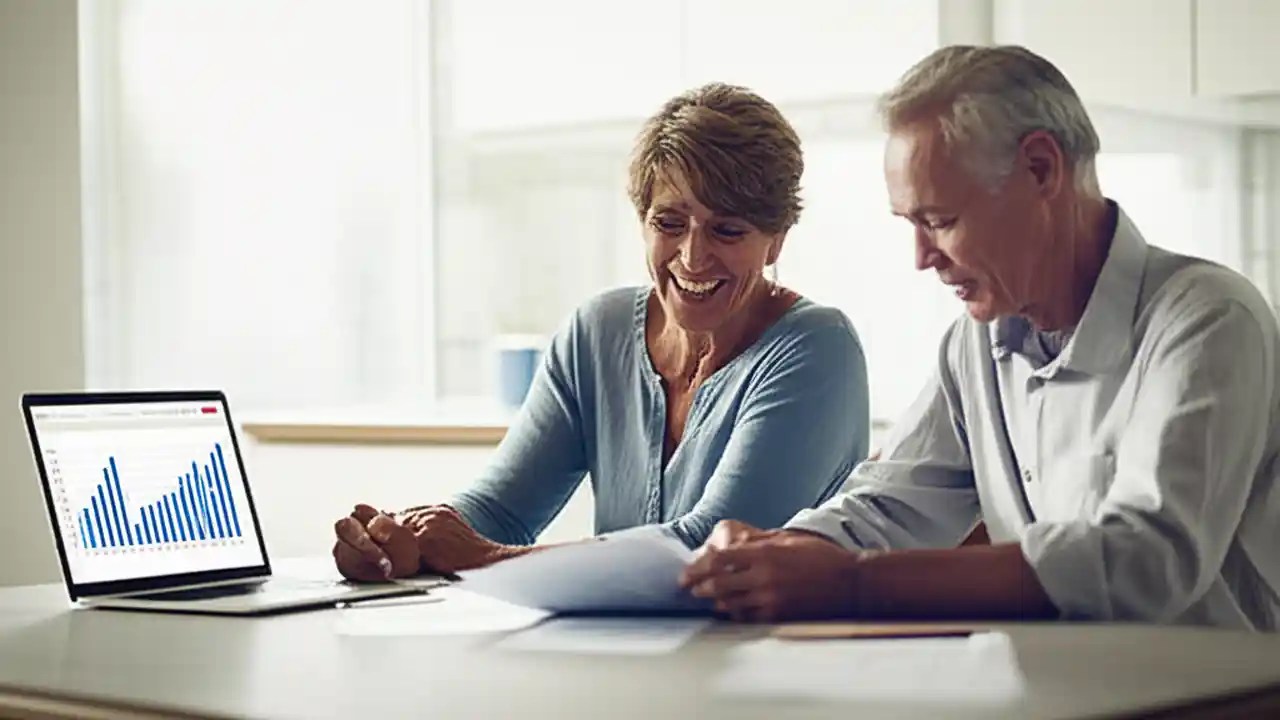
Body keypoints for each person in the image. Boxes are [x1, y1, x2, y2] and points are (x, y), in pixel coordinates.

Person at [682, 45, 1280, 630]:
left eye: (939, 220)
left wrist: (851, 581)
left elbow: (1145, 559)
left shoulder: (1208, 319)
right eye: (910, 224)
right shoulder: (974, 347)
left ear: (1041, 169)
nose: (922, 258)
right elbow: (889, 506)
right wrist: (776, 555)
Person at [332, 83, 870, 581]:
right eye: (669, 223)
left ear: (776, 241)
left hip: (768, 663)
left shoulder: (817, 348)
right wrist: (403, 539)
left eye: (727, 230)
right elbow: (500, 511)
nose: (692, 256)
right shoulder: (597, 332)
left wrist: (489, 558)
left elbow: (710, 549)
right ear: (642, 221)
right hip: (629, 664)